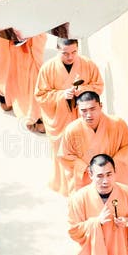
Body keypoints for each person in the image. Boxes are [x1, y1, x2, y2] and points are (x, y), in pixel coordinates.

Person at [35, 38, 104, 192]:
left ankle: (85, 186)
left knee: (85, 150)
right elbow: (40, 95)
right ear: (57, 50)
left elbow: (98, 86)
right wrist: (61, 95)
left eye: (74, 52)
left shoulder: (88, 64)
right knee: (63, 153)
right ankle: (65, 187)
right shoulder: (48, 68)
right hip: (60, 120)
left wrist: (84, 90)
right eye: (65, 53)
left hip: (83, 119)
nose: (70, 57)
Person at [58, 91, 128, 195]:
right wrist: (86, 168)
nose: (89, 115)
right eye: (84, 110)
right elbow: (65, 156)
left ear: (100, 106)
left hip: (112, 178)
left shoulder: (117, 124)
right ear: (78, 109)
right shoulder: (72, 130)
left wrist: (109, 167)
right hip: (86, 179)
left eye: (92, 109)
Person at [0, 30, 47, 131]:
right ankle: (4, 91)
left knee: (32, 71)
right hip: (4, 31)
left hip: (29, 34)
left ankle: (36, 112)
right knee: (2, 62)